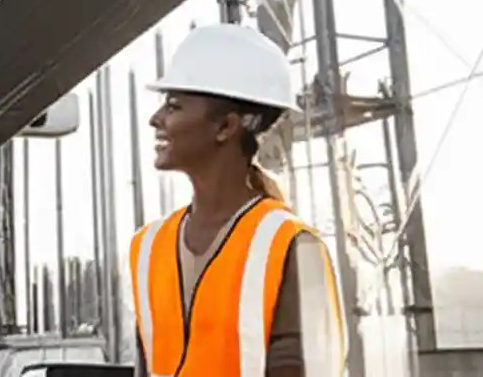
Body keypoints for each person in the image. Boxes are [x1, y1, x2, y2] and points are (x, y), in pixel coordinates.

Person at [129, 24, 345, 376]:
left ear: (226, 127)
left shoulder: (290, 246)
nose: (156, 119)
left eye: (174, 106)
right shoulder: (147, 248)